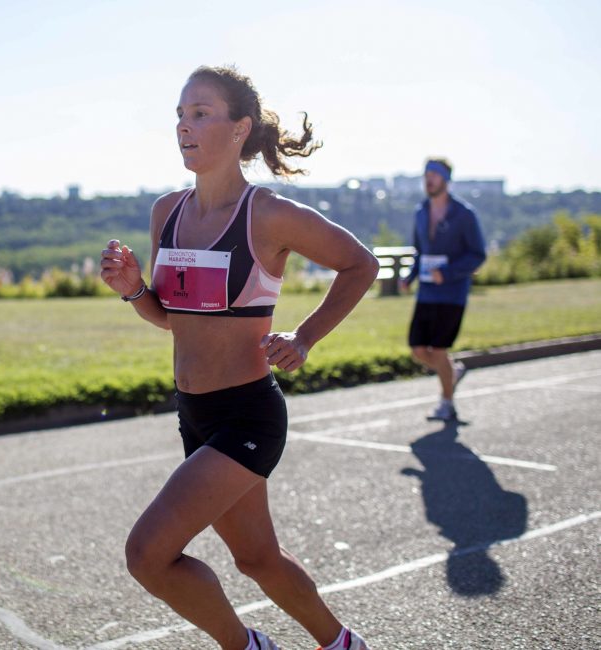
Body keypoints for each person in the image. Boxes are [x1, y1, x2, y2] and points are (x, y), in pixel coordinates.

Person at [100, 65, 377, 650]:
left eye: (200, 114)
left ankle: (245, 647)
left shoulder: (268, 215)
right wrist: (132, 289)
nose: (184, 126)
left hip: (247, 415)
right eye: (179, 114)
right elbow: (171, 318)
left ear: (239, 128)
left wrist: (304, 338)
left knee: (148, 554)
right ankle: (343, 644)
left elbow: (361, 264)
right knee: (258, 560)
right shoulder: (166, 213)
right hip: (194, 414)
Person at [400, 158, 486, 421]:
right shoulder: (420, 212)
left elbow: (477, 255)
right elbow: (419, 252)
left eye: (434, 175)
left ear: (446, 179)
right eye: (426, 174)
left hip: (452, 295)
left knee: (438, 351)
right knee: (417, 349)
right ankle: (451, 372)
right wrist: (410, 276)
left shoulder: (464, 214)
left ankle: (446, 403)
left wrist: (447, 273)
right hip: (426, 293)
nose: (429, 179)